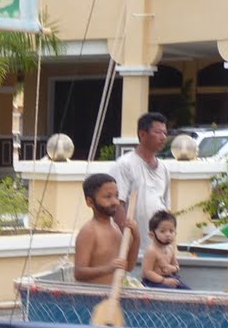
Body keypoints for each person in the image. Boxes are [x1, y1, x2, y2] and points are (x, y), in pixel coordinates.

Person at [111, 112, 170, 245]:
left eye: (165, 133)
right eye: (158, 132)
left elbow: (165, 205)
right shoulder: (124, 164)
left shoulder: (164, 168)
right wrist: (128, 240)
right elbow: (117, 205)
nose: (163, 137)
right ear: (143, 134)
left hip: (158, 247)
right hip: (134, 246)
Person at [73, 172, 137, 285]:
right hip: (94, 298)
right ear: (90, 202)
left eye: (116, 196)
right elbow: (79, 273)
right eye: (108, 197)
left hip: (116, 295)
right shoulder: (89, 231)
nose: (115, 202)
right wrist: (108, 268)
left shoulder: (115, 227)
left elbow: (128, 267)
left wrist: (136, 236)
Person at [140, 209, 186, 290]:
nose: (168, 234)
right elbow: (147, 272)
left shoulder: (170, 249)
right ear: (152, 235)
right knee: (169, 291)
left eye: (171, 231)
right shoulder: (151, 251)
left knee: (186, 291)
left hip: (170, 278)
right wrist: (164, 280)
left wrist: (173, 268)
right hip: (153, 282)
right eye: (163, 231)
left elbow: (176, 266)